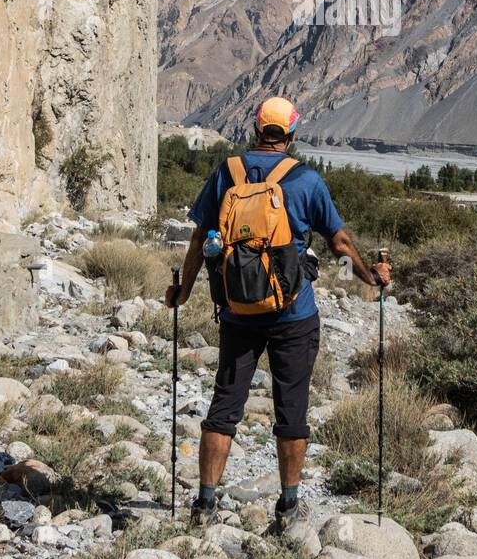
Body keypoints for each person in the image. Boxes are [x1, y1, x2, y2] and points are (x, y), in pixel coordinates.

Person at [165, 96, 392, 531]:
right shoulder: (305, 180)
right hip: (293, 315)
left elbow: (199, 239)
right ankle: (287, 510)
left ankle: (205, 505)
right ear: (291, 133)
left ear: (255, 129)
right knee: (292, 410)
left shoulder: (226, 173)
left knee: (224, 407)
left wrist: (183, 289)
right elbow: (340, 244)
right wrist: (372, 278)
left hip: (236, 312)